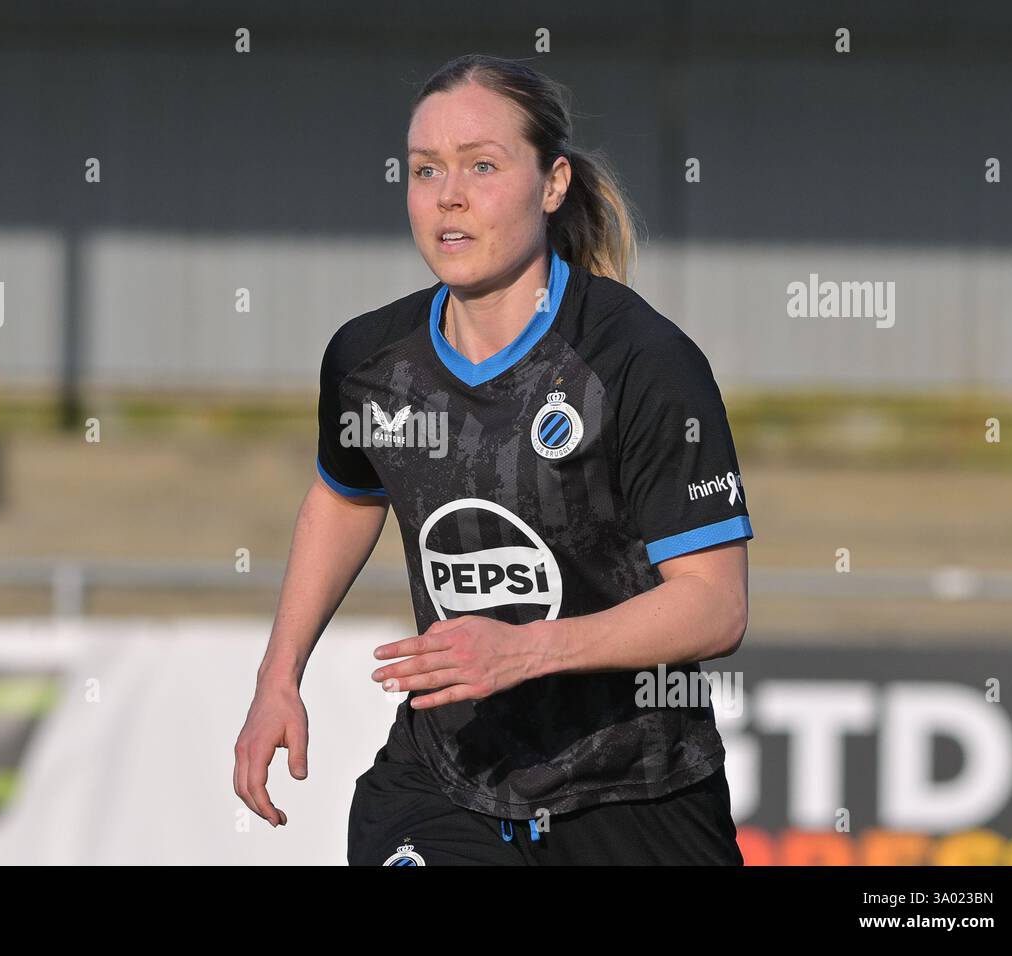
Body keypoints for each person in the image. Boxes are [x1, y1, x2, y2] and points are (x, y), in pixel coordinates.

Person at [233, 53, 752, 865]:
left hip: (636, 796)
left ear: (553, 185)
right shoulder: (371, 359)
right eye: (424, 169)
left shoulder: (639, 361)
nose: (449, 195)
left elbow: (716, 609)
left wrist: (523, 651)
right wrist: (278, 675)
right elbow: (344, 495)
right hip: (448, 784)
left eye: (483, 165)